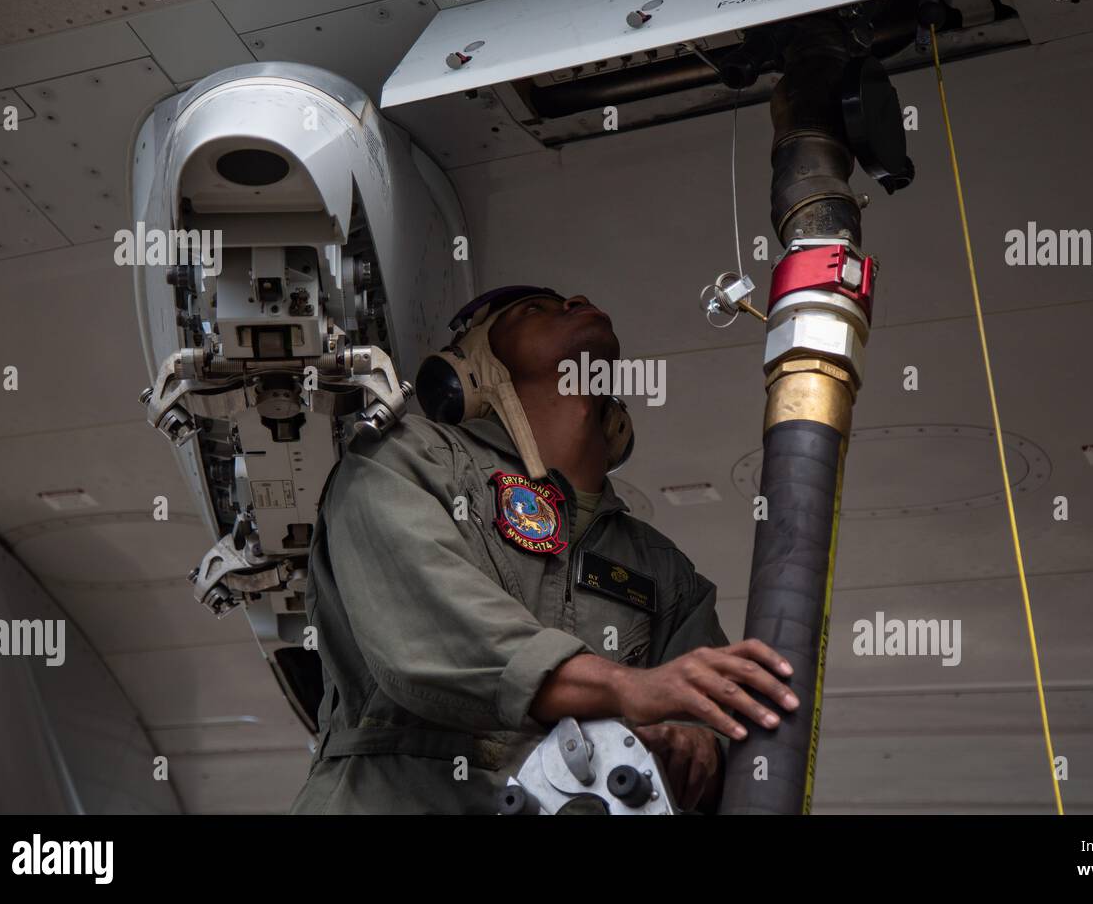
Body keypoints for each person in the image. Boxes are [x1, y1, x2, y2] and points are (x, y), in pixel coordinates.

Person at [290, 286, 798, 814]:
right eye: (535, 309)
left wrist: (699, 749)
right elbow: (432, 645)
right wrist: (628, 688)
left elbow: (718, 725)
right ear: (468, 371)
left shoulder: (661, 570)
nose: (576, 300)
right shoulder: (404, 461)